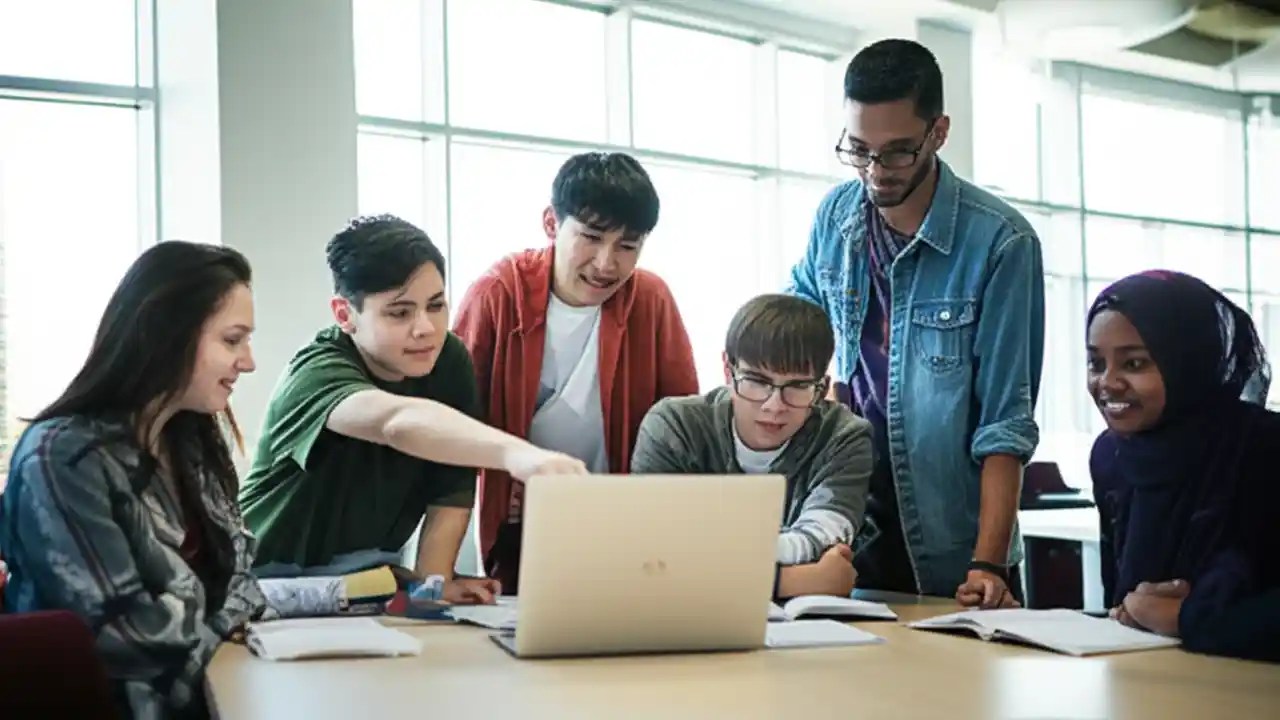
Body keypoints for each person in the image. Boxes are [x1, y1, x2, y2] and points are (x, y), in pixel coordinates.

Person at [787, 38, 1045, 606]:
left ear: (939, 132)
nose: (875, 171)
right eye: (859, 150)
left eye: (898, 152)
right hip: (849, 530)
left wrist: (988, 564)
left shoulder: (1001, 242)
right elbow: (798, 328)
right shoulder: (835, 216)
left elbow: (1005, 421)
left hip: (954, 546)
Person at [239, 215, 586, 601]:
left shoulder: (448, 360)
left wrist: (434, 583)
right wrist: (517, 454)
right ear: (344, 315)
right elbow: (395, 422)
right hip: (264, 581)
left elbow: (451, 487)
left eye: (436, 306)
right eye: (400, 313)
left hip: (368, 583)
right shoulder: (316, 370)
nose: (426, 328)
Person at [0, 241, 275, 717]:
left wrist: (205, 608)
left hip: (210, 696)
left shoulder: (191, 440)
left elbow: (243, 584)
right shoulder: (63, 457)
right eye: (232, 340)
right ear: (167, 335)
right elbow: (127, 639)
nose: (248, 361)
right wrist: (220, 615)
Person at [453, 152, 699, 592]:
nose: (606, 264)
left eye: (628, 246)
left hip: (628, 525)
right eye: (591, 237)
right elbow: (454, 423)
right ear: (552, 223)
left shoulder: (651, 299)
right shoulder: (498, 294)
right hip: (523, 526)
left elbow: (686, 426)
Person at [1086, 270, 1279, 662]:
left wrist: (1188, 617)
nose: (1108, 382)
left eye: (1134, 363)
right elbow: (1123, 606)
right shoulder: (1111, 455)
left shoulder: (1264, 447)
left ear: (1189, 361)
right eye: (1096, 363)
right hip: (1151, 677)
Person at [631, 294, 870, 598]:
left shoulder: (844, 437)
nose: (774, 405)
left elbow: (820, 539)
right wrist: (795, 581)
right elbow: (653, 556)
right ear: (728, 371)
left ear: (821, 388)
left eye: (798, 386)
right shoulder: (675, 426)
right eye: (756, 381)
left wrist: (700, 559)